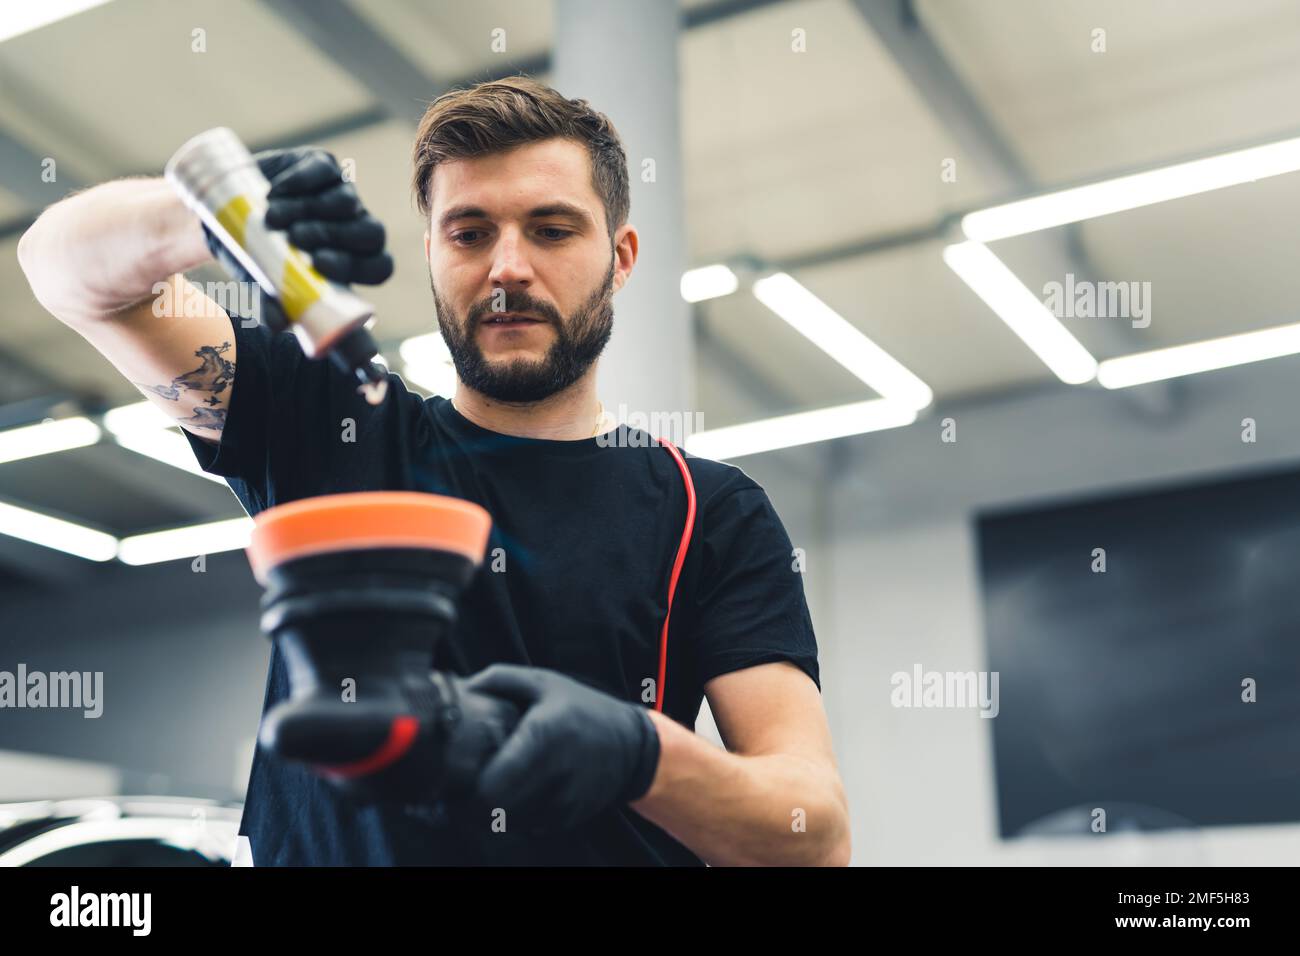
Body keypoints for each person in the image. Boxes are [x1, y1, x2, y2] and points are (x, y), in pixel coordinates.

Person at [17, 76, 851, 866]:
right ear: (431, 253)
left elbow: (813, 836)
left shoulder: (712, 510)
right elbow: (64, 272)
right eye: (470, 232)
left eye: (552, 230)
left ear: (622, 258)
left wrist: (641, 755)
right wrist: (210, 215)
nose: (508, 267)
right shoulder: (329, 423)